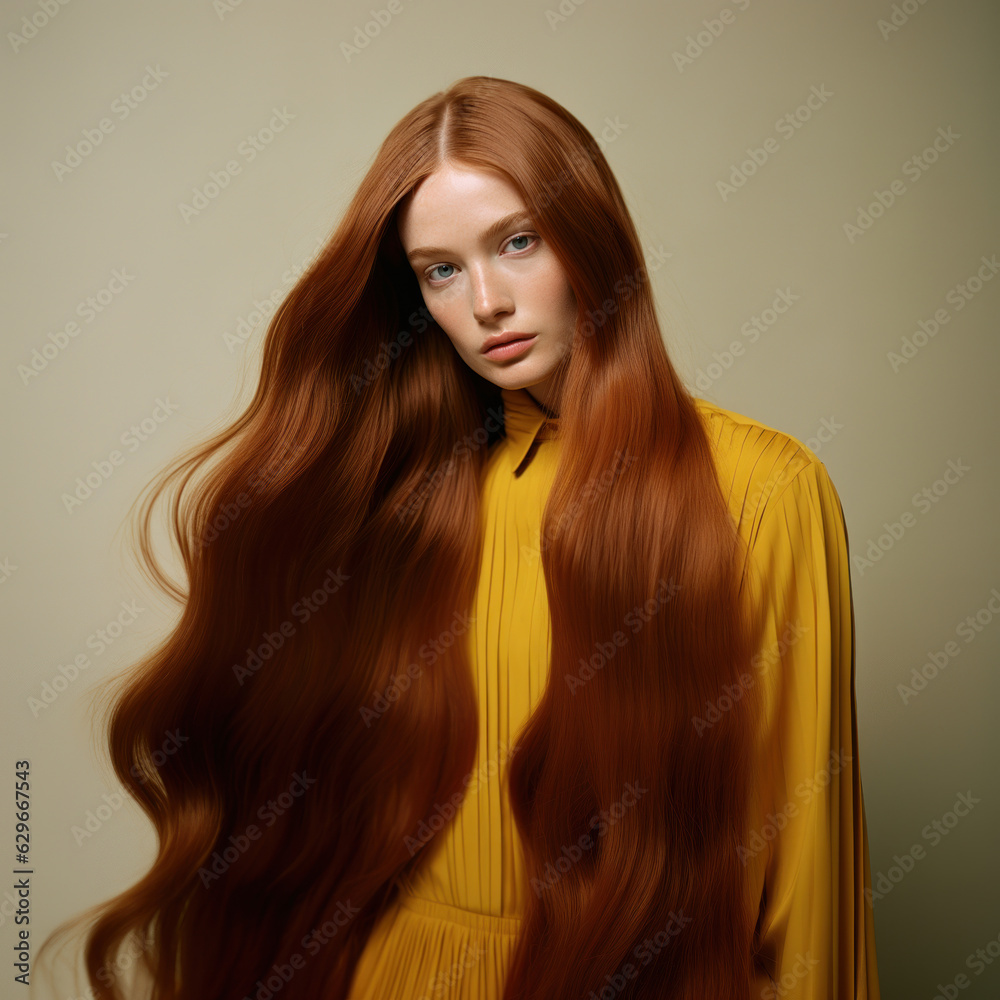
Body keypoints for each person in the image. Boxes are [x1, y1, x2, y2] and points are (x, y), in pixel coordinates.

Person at [42, 76, 880, 1000]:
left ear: (592, 237)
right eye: (440, 269)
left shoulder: (762, 490)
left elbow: (809, 863)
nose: (486, 301)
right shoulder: (401, 496)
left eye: (518, 242)